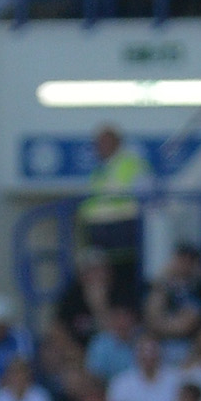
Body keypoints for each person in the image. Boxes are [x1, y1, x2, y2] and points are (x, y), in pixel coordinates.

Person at [78, 124, 151, 298]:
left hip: (123, 233)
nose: (99, 147)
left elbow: (147, 196)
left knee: (124, 280)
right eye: (97, 143)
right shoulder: (100, 170)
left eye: (104, 142)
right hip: (100, 234)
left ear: (116, 143)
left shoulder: (132, 164)